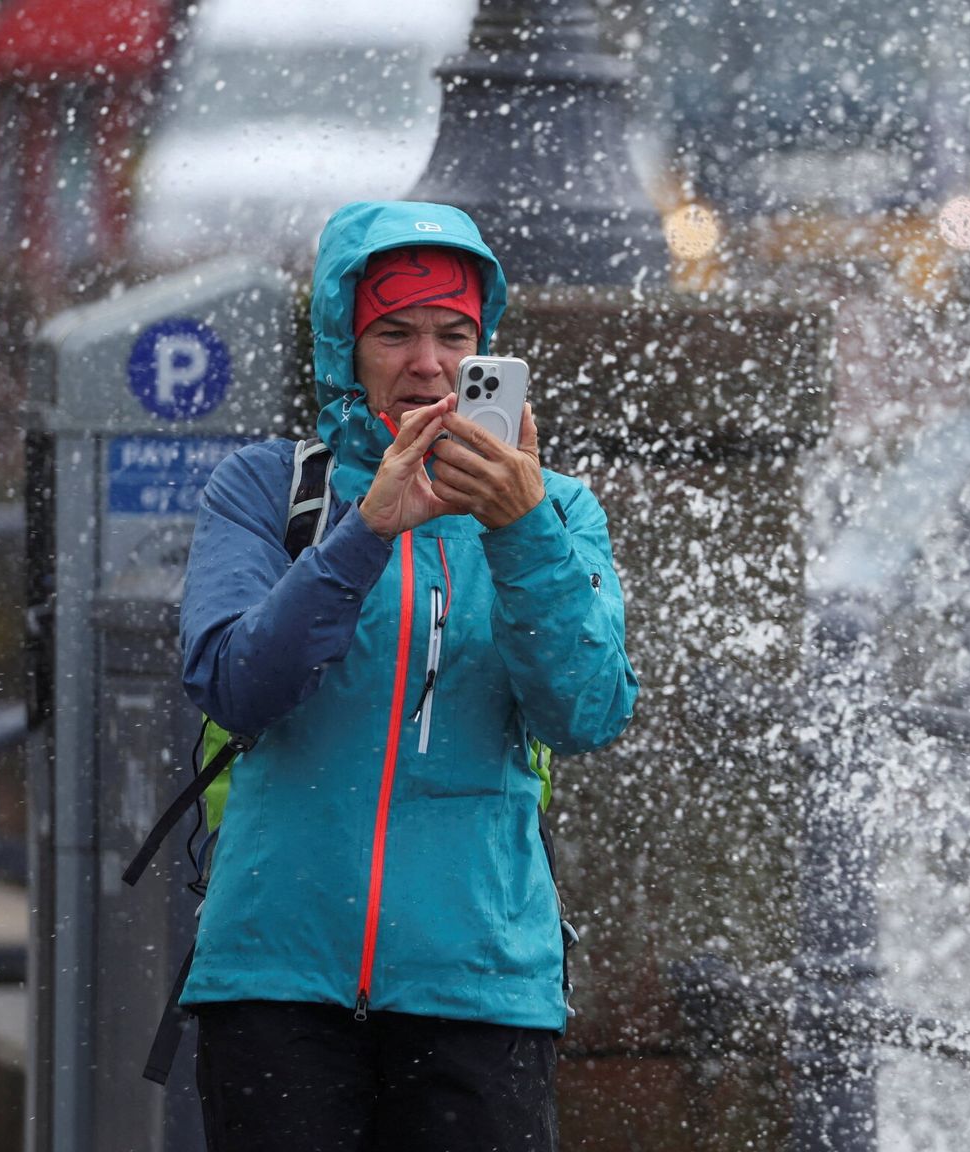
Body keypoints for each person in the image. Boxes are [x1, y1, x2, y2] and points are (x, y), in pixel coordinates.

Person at [176, 199, 636, 1151]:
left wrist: (520, 532)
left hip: (480, 992)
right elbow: (233, 684)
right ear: (345, 347)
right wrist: (365, 532)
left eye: (453, 336)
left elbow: (587, 710)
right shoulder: (269, 489)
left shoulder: (558, 512)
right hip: (276, 981)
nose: (427, 363)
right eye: (394, 333)